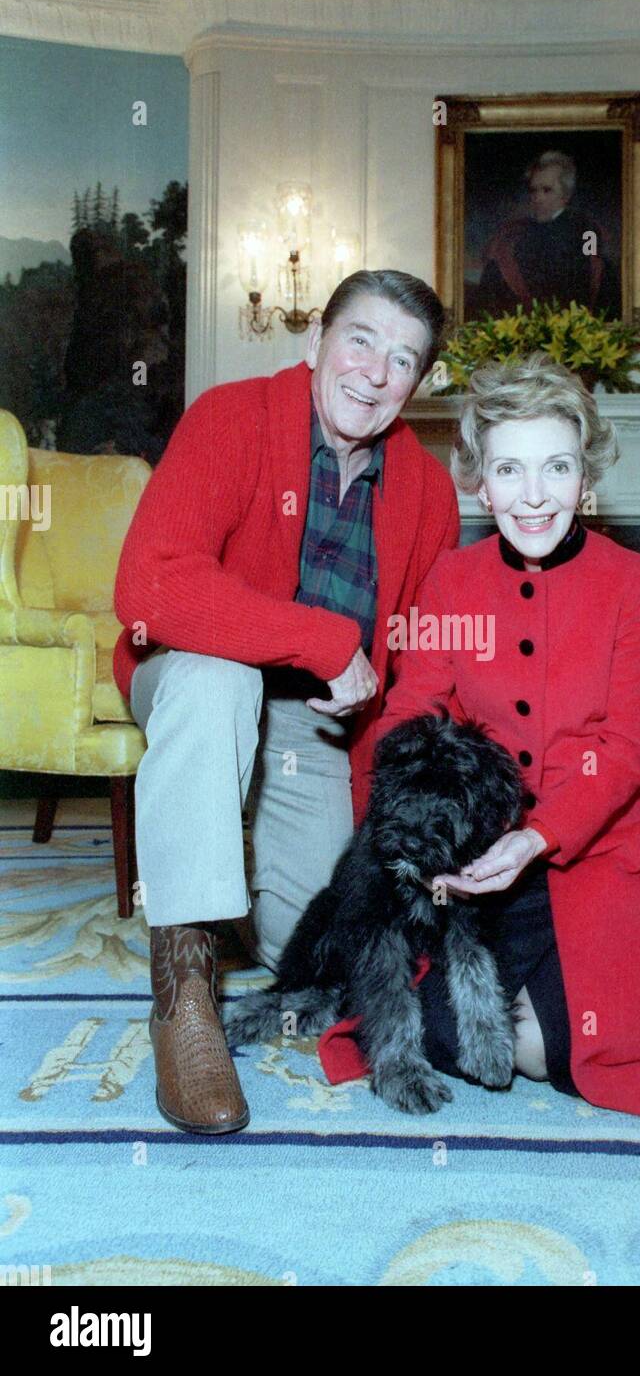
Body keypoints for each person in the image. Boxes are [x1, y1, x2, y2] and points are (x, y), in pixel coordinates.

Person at [112, 269, 460, 1134]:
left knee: (311, 951)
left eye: (404, 360)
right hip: (191, 676)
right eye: (361, 341)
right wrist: (323, 639)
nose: (376, 373)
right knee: (215, 679)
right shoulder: (231, 418)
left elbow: (414, 664)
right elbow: (149, 585)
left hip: (312, 722)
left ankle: (220, 886)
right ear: (314, 342)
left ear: (418, 385)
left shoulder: (428, 493)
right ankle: (184, 991)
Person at [368, 352, 640, 1118]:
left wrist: (537, 839)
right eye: (509, 470)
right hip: (477, 856)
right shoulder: (450, 581)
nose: (533, 497)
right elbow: (413, 710)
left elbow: (630, 744)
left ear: (585, 476)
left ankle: (622, 987)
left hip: (595, 846)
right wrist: (416, 832)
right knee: (455, 1034)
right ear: (479, 480)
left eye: (556, 468)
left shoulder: (633, 582)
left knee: (558, 1052)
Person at [470, 150, 616, 320]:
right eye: (534, 191)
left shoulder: (586, 232)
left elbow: (590, 279)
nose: (537, 198)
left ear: (565, 195)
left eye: (547, 190)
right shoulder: (516, 233)